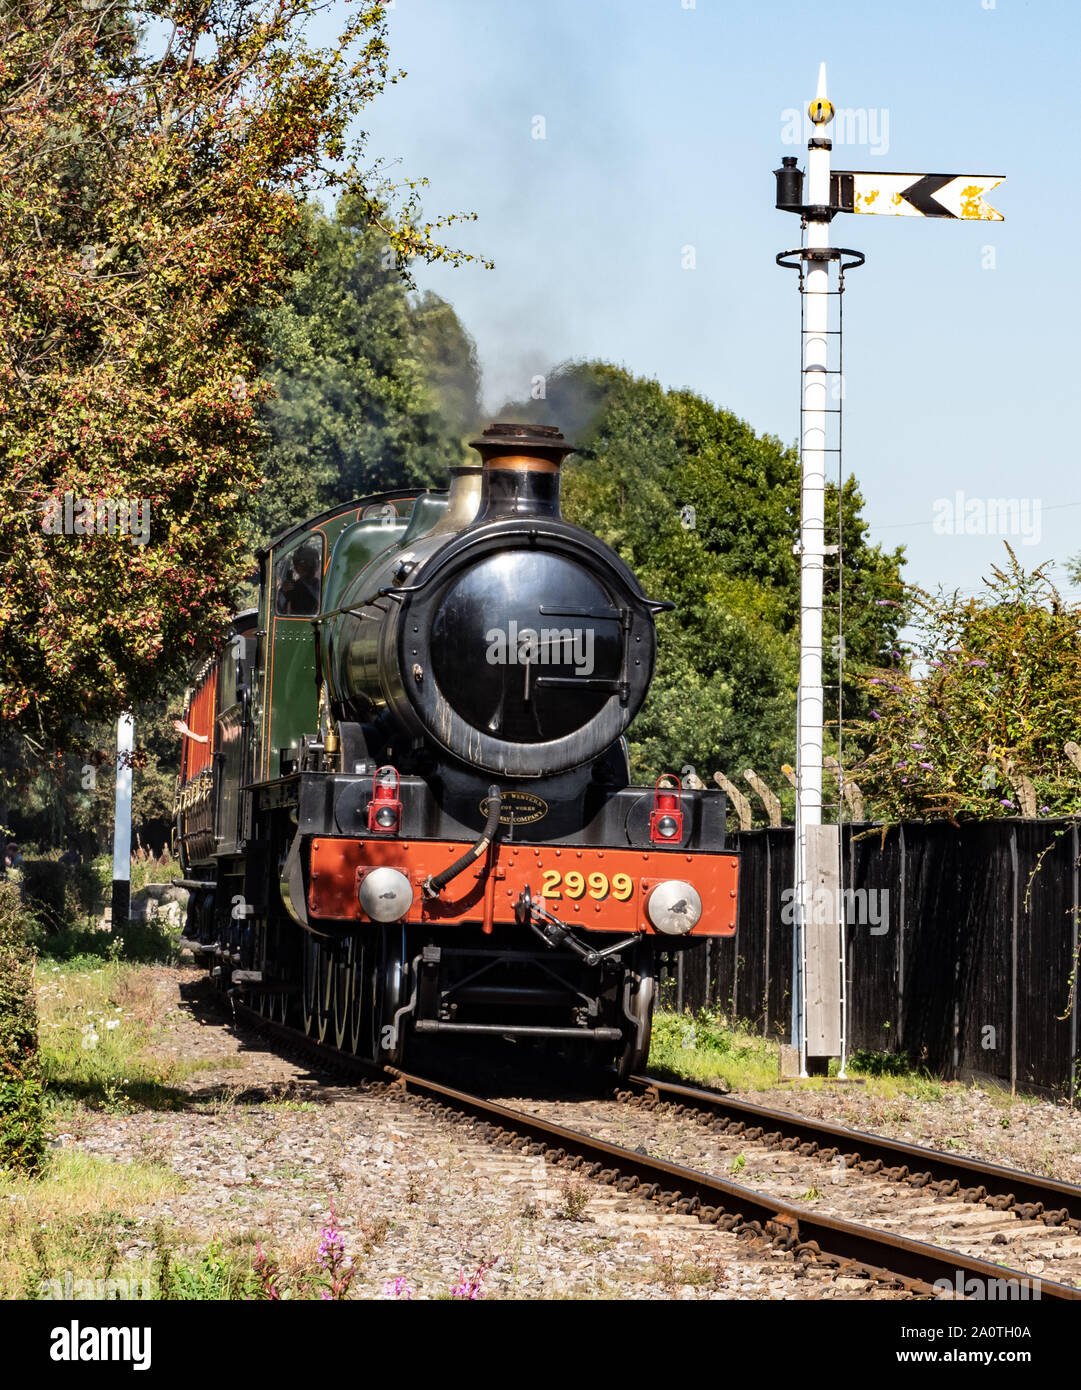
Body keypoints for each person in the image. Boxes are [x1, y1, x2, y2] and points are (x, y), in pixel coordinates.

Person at [276, 545, 320, 616]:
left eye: (311, 561)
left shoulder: (324, 585)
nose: (307, 566)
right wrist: (284, 592)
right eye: (303, 562)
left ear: (317, 565)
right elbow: (280, 610)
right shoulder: (290, 589)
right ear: (296, 567)